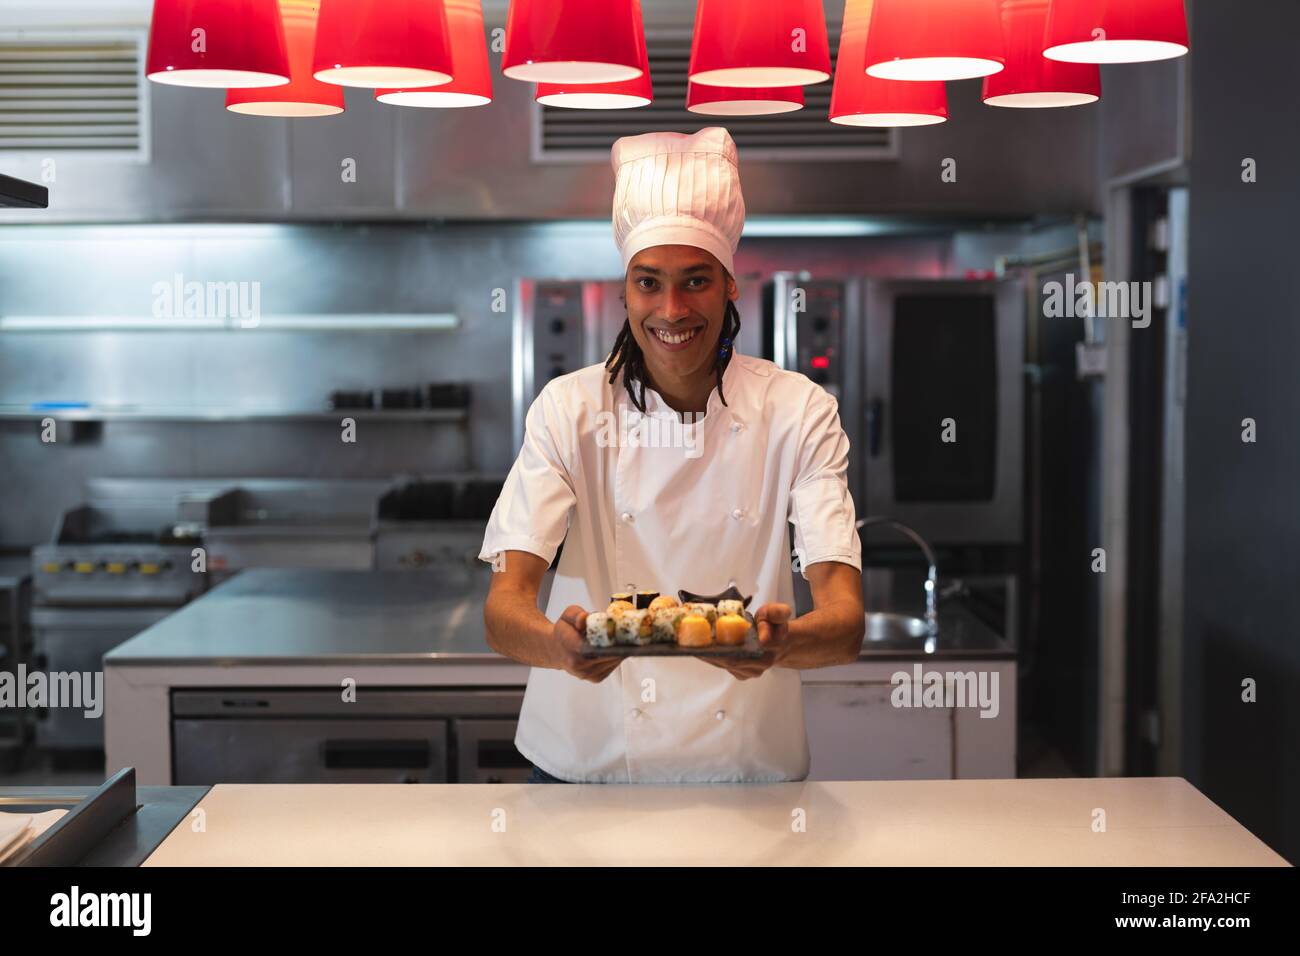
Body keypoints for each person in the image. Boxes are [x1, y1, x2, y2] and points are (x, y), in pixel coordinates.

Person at [480, 127, 864, 784]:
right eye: (649, 283)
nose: (672, 309)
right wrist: (557, 646)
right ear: (626, 290)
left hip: (745, 773)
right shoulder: (569, 410)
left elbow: (845, 619)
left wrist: (783, 644)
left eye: (695, 281)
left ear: (729, 286)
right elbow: (505, 604)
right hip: (587, 767)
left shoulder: (798, 412)